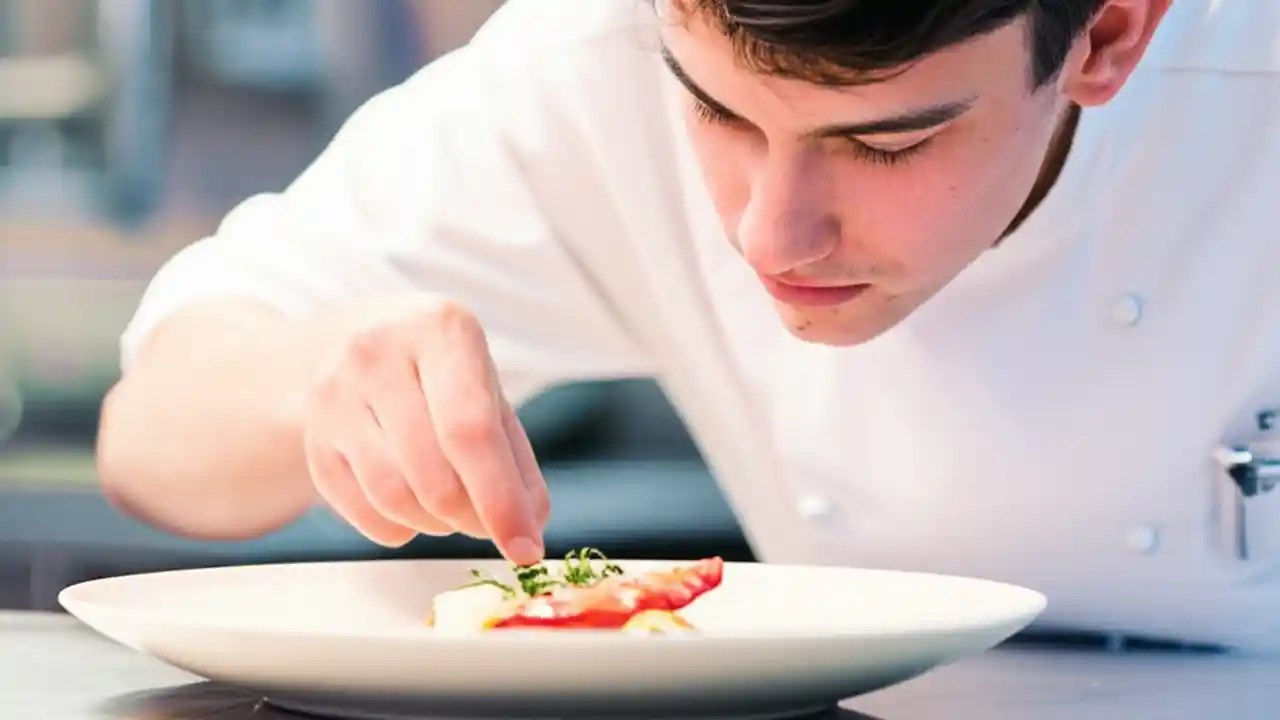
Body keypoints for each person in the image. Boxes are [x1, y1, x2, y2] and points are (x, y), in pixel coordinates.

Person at [96, 0, 1280, 651]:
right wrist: (313, 381)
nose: (771, 236)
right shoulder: (596, 60)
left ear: (1108, 34)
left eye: (885, 142)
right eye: (715, 111)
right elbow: (150, 439)